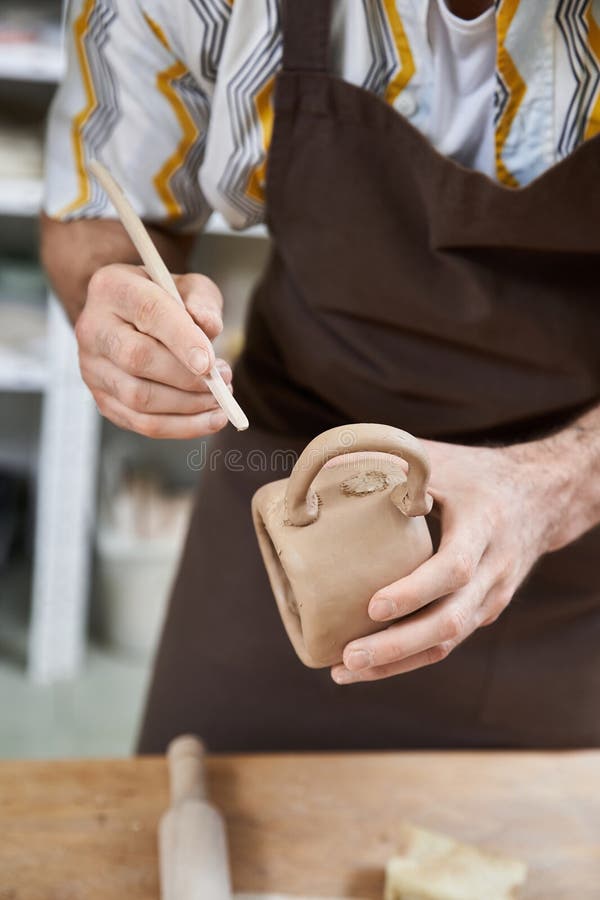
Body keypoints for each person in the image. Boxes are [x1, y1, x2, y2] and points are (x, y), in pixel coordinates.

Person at [42, 0, 600, 753]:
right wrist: (115, 299)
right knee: (186, 820)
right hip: (291, 484)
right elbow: (104, 193)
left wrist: (558, 482)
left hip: (574, 530)